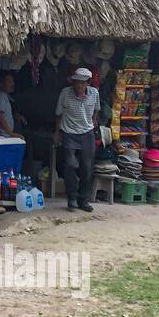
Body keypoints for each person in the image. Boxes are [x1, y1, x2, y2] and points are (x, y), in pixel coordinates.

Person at [55, 67, 100, 212]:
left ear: (88, 83)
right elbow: (58, 114)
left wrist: (93, 122)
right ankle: (72, 198)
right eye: (77, 82)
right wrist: (57, 133)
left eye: (82, 83)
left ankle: (83, 200)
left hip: (87, 133)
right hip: (69, 133)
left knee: (87, 168)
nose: (79, 86)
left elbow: (96, 110)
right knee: (70, 165)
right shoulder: (65, 93)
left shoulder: (94, 93)